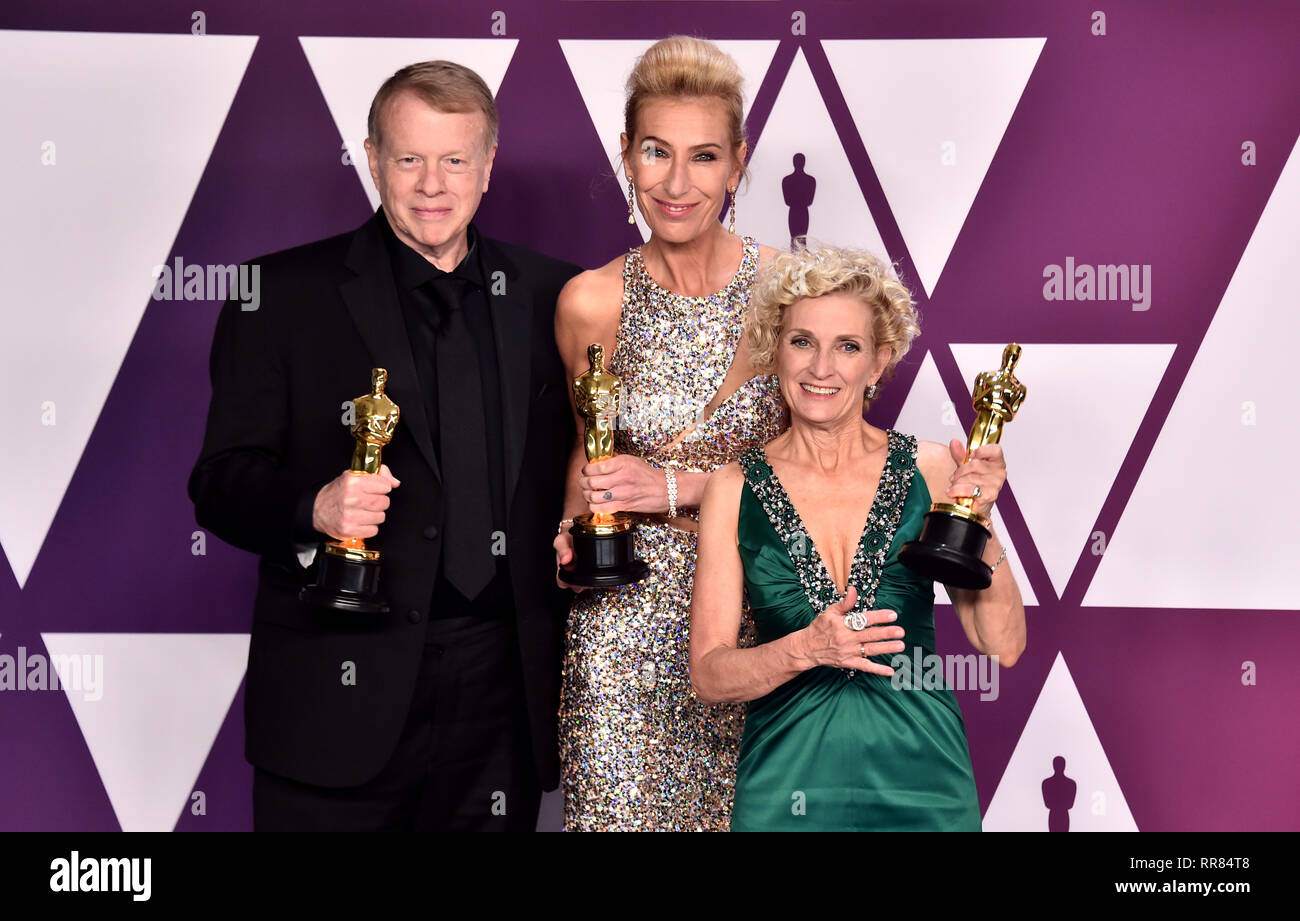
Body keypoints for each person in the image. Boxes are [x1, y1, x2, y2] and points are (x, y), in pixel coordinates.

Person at [188, 61, 580, 831]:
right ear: (372, 159)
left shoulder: (554, 297)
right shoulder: (277, 296)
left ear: (488, 166)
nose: (432, 184)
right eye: (409, 158)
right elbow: (220, 481)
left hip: (501, 703)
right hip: (336, 700)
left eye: (455, 159)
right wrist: (315, 505)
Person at [689, 244, 1027, 831]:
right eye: (803, 342)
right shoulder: (731, 486)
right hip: (784, 789)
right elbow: (710, 674)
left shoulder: (933, 468)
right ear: (776, 350)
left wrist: (982, 518)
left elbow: (1003, 645)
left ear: (878, 362)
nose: (822, 368)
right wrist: (804, 649)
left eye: (847, 346)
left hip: (924, 786)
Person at [552, 36, 787, 831]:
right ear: (626, 154)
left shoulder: (789, 292)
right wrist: (569, 533)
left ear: (738, 163)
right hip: (619, 644)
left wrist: (679, 487)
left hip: (754, 633)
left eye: (704, 156)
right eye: (655, 152)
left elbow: (825, 476)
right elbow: (592, 456)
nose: (677, 184)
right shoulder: (590, 301)